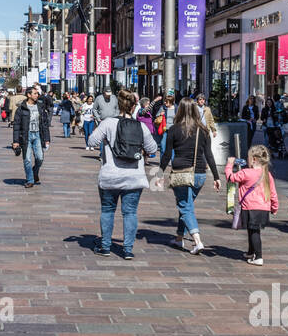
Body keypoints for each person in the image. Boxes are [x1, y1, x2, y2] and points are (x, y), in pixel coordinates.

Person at [87, 88, 159, 260]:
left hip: (110, 175)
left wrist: (106, 138)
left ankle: (105, 246)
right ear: (134, 107)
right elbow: (153, 149)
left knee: (107, 210)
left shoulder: (108, 123)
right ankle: (127, 249)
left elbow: (91, 141)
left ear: (117, 105)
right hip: (134, 177)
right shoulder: (141, 126)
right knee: (130, 213)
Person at [158, 99, 221, 254]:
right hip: (199, 174)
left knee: (185, 207)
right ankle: (179, 238)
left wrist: (159, 174)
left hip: (181, 173)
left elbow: (166, 154)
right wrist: (216, 176)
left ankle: (197, 240)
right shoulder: (203, 130)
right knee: (186, 205)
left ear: (180, 111)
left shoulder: (173, 130)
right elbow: (209, 155)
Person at [224, 145, 279, 265]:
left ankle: (259, 257)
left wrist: (229, 164)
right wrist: (274, 207)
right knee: (252, 229)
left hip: (250, 208)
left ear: (254, 159)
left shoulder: (246, 173)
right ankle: (251, 252)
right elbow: (273, 193)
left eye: (248, 158)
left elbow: (230, 178)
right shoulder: (267, 174)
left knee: (254, 232)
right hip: (263, 208)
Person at [12, 84, 51, 188]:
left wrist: (47, 139)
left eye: (37, 93)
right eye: (35, 93)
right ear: (29, 95)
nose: (37, 95)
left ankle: (35, 171)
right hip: (26, 135)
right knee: (27, 159)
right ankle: (30, 179)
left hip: (38, 135)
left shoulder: (40, 107)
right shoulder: (21, 109)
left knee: (40, 158)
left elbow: (44, 124)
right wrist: (15, 141)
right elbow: (16, 126)